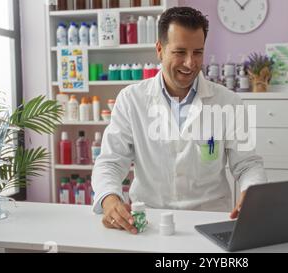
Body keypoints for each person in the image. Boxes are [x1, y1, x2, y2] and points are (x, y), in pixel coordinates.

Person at [92, 7, 267, 234]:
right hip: (148, 223)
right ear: (159, 49)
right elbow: (110, 162)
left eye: (198, 52)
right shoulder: (131, 99)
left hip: (209, 222)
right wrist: (109, 199)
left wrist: (252, 194)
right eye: (180, 52)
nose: (190, 63)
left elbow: (247, 164)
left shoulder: (228, 102)